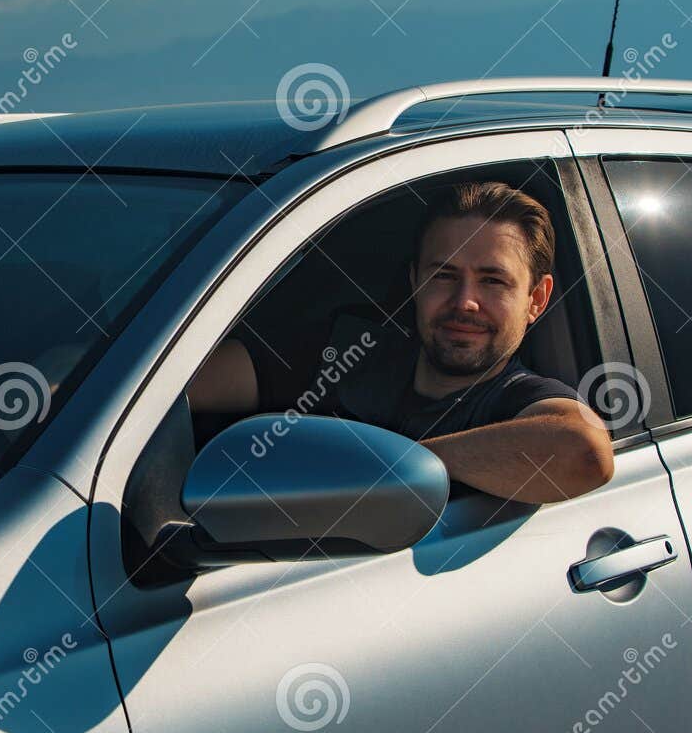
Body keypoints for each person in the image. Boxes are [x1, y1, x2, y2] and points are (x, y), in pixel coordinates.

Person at [187, 181, 613, 504]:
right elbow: (167, 391)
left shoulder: (516, 402)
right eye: (443, 275)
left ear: (535, 299)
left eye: (492, 281)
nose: (465, 302)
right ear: (415, 282)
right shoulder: (351, 353)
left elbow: (584, 453)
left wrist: (391, 470)